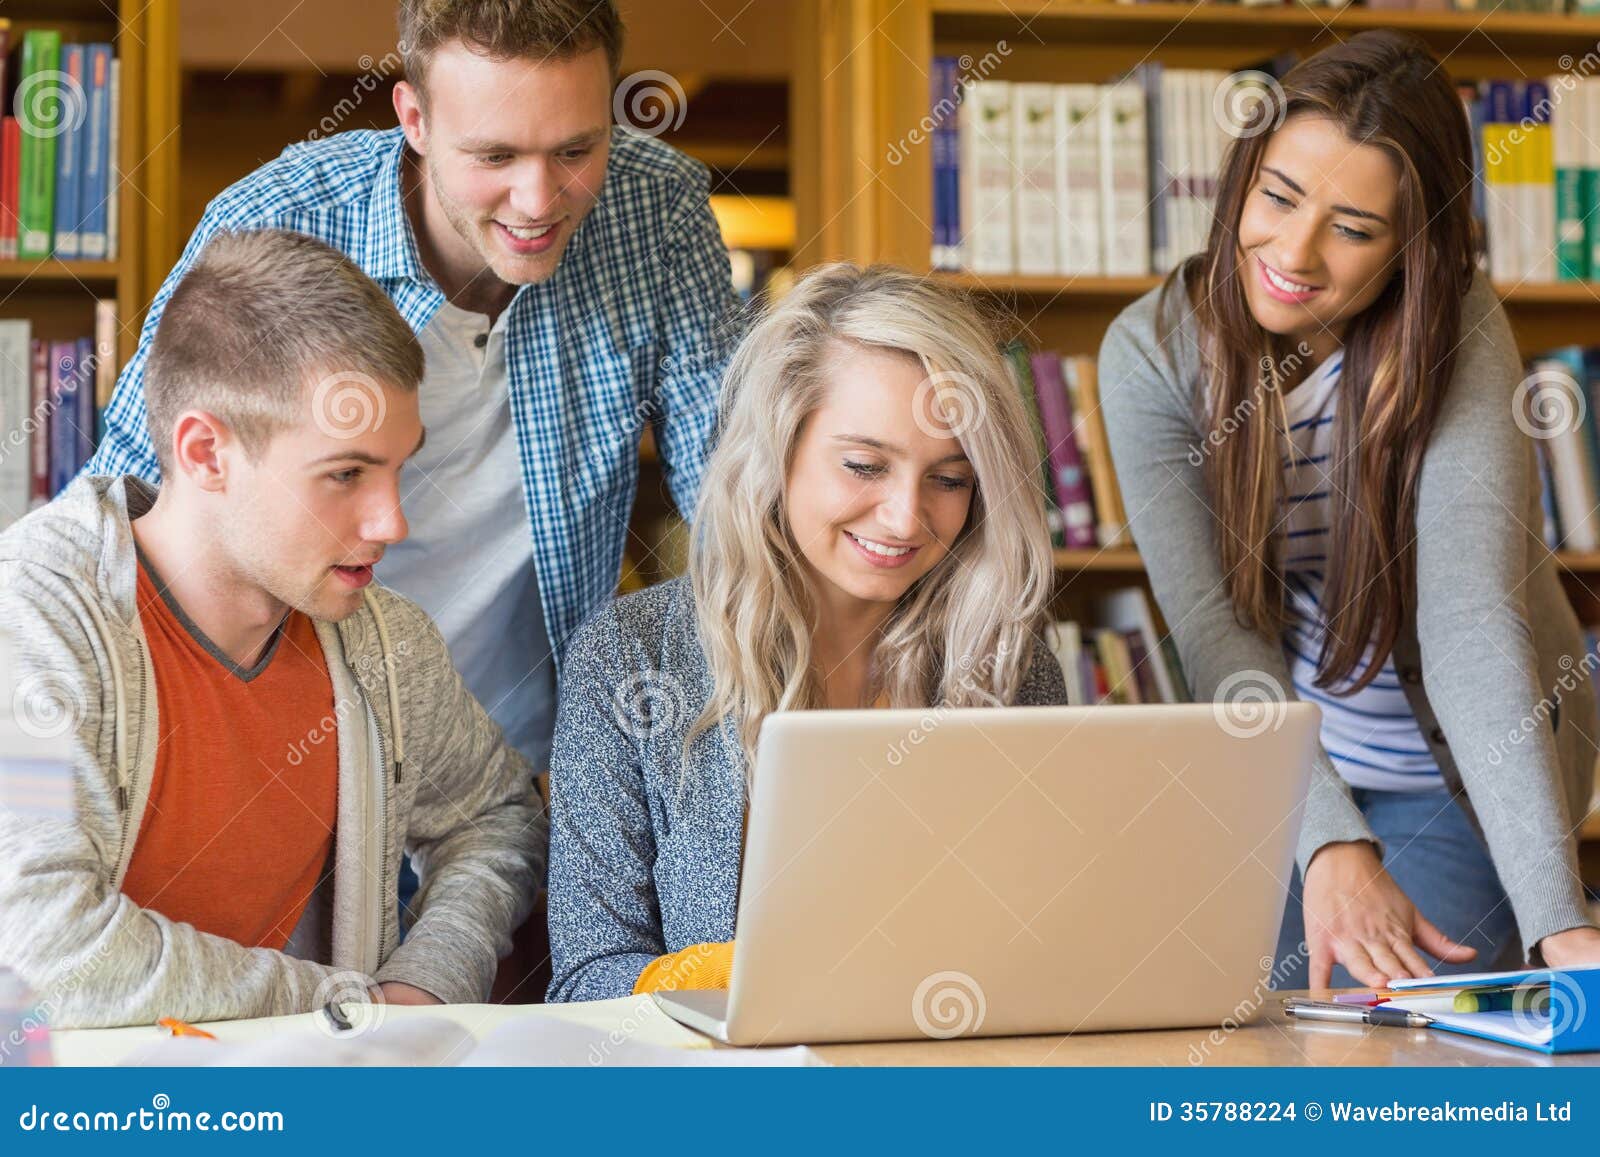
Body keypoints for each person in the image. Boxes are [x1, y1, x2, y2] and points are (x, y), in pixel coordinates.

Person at [84, 0, 743, 779]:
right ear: (415, 119)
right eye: (494, 157)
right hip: (291, 753)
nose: (537, 201)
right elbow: (124, 510)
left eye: (576, 148)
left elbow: (735, 503)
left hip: (523, 771)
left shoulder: (655, 212)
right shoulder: (278, 220)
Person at [1098, 30, 1600, 989]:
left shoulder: (1454, 326)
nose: (1294, 251)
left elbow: (1467, 620)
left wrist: (1556, 920)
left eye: (1354, 228)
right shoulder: (1150, 355)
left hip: (1454, 778)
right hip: (1277, 767)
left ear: (1411, 247)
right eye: (1279, 197)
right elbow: (1213, 629)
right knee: (1224, 1015)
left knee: (1378, 1022)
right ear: (1243, 176)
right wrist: (1330, 841)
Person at [0, 230, 545, 1028]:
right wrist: (347, 1005)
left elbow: (498, 818)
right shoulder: (32, 616)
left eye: (399, 468)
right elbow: (45, 950)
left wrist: (427, 982)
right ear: (205, 452)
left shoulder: (384, 643)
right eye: (346, 474)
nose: (392, 520)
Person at [545, 264, 1068, 1002]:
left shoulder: (1009, 663)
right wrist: (747, 978)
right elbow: (586, 980)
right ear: (777, 451)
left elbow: (1046, 946)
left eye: (949, 478)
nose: (904, 517)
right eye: (864, 465)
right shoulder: (630, 655)